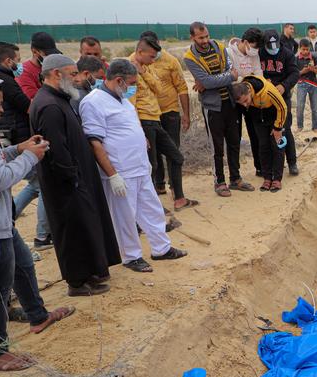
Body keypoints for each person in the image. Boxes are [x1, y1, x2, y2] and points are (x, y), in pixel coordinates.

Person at [79, 59, 187, 273]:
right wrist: (112, 175)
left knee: (152, 209)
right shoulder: (93, 102)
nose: (132, 87)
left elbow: (131, 126)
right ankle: (131, 256)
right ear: (119, 80)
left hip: (139, 167)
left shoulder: (122, 100)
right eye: (130, 83)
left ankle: (161, 248)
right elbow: (94, 142)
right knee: (125, 216)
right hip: (121, 172)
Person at [28, 54, 121, 295]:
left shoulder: (58, 98)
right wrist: (73, 177)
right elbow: (57, 150)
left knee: (85, 226)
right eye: (72, 74)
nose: (77, 78)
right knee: (72, 230)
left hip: (76, 178)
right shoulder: (48, 105)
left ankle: (88, 274)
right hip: (66, 183)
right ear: (56, 74)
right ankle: (76, 282)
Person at [0, 87, 75, 371]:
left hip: (4, 222)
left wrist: (19, 148)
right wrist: (31, 158)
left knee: (23, 265)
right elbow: (1, 178)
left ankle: (37, 315)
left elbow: (1, 160)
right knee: (0, 287)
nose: (1, 110)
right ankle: (0, 351)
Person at [183, 21, 253, 197]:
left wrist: (212, 80)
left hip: (230, 102)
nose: (205, 40)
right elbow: (208, 81)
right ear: (192, 37)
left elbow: (232, 73)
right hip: (212, 107)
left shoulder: (220, 47)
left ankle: (235, 179)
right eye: (201, 38)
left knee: (234, 141)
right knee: (217, 147)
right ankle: (219, 182)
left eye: (206, 35)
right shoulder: (189, 58)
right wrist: (218, 79)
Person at [129, 38, 195, 210]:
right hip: (144, 122)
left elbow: (158, 89)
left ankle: (176, 197)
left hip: (156, 118)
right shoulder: (128, 69)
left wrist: (143, 71)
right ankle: (152, 207)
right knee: (151, 165)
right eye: (151, 56)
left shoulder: (144, 67)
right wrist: (139, 132)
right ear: (140, 52)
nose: (154, 60)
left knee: (176, 156)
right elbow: (130, 104)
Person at [0, 43, 53, 249]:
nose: (1, 109)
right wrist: (28, 154)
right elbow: (28, 106)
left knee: (34, 185)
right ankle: (42, 236)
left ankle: (11, 221)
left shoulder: (6, 80)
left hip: (15, 140)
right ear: (8, 61)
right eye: (17, 60)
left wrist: (20, 148)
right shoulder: (7, 82)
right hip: (15, 135)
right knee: (41, 187)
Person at [231, 76, 288, 192]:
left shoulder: (268, 91)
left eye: (246, 101)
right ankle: (267, 177)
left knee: (277, 146)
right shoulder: (243, 88)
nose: (245, 105)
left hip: (274, 116)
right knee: (263, 146)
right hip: (258, 117)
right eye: (242, 103)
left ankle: (277, 179)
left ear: (249, 91)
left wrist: (277, 128)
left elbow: (282, 107)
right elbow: (244, 105)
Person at [259, 30, 299, 176]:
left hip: (283, 98)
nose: (273, 49)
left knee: (285, 130)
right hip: (264, 100)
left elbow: (295, 73)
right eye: (270, 46)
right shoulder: (260, 54)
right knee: (267, 134)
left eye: (275, 46)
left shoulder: (287, 54)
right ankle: (272, 166)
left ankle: (292, 162)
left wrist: (283, 86)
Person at [226, 27, 264, 177]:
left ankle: (259, 167)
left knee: (255, 134)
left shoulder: (254, 55)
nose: (256, 51)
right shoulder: (229, 53)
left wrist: (242, 80)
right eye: (255, 47)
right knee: (234, 138)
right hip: (234, 101)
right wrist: (246, 79)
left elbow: (258, 75)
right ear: (246, 42)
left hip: (251, 99)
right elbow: (230, 78)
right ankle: (235, 175)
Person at [18, 32, 61, 100]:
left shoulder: (53, 67)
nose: (51, 57)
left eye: (53, 53)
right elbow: (34, 99)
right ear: (34, 52)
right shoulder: (24, 71)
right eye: (47, 54)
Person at [295, 38, 317, 134]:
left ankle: (315, 127)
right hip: (301, 84)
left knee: (314, 107)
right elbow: (295, 74)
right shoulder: (296, 59)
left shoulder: (314, 58)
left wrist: (313, 69)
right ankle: (300, 126)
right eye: (303, 49)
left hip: (313, 84)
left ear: (310, 48)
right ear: (300, 49)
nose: (305, 52)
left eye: (307, 49)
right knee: (300, 106)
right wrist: (303, 71)